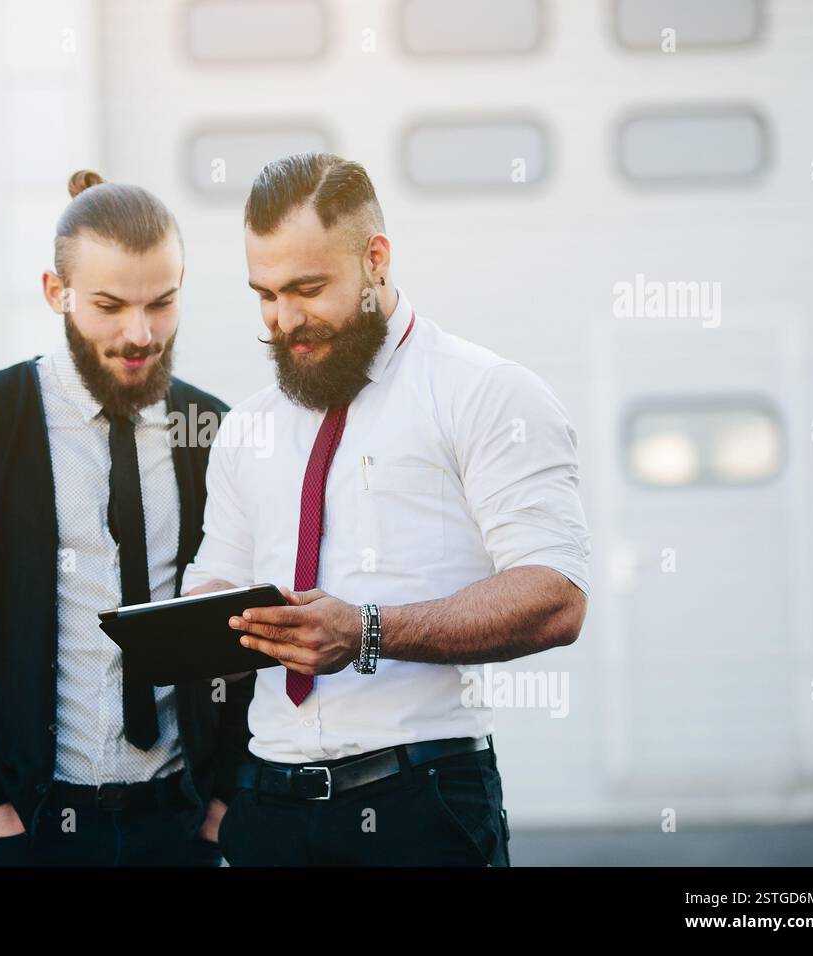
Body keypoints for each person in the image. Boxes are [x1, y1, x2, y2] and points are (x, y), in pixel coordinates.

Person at [182, 153, 591, 866]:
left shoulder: (486, 393)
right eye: (265, 294)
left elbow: (555, 597)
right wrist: (199, 620)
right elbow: (217, 578)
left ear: (376, 259)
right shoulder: (245, 429)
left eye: (308, 288)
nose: (285, 320)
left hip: (420, 808)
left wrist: (366, 631)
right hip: (267, 813)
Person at [0, 169, 251, 866]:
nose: (139, 334)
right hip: (26, 831)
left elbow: (245, 634)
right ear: (57, 293)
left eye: (162, 304)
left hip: (176, 830)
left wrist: (224, 800)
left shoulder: (212, 432)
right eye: (110, 306)